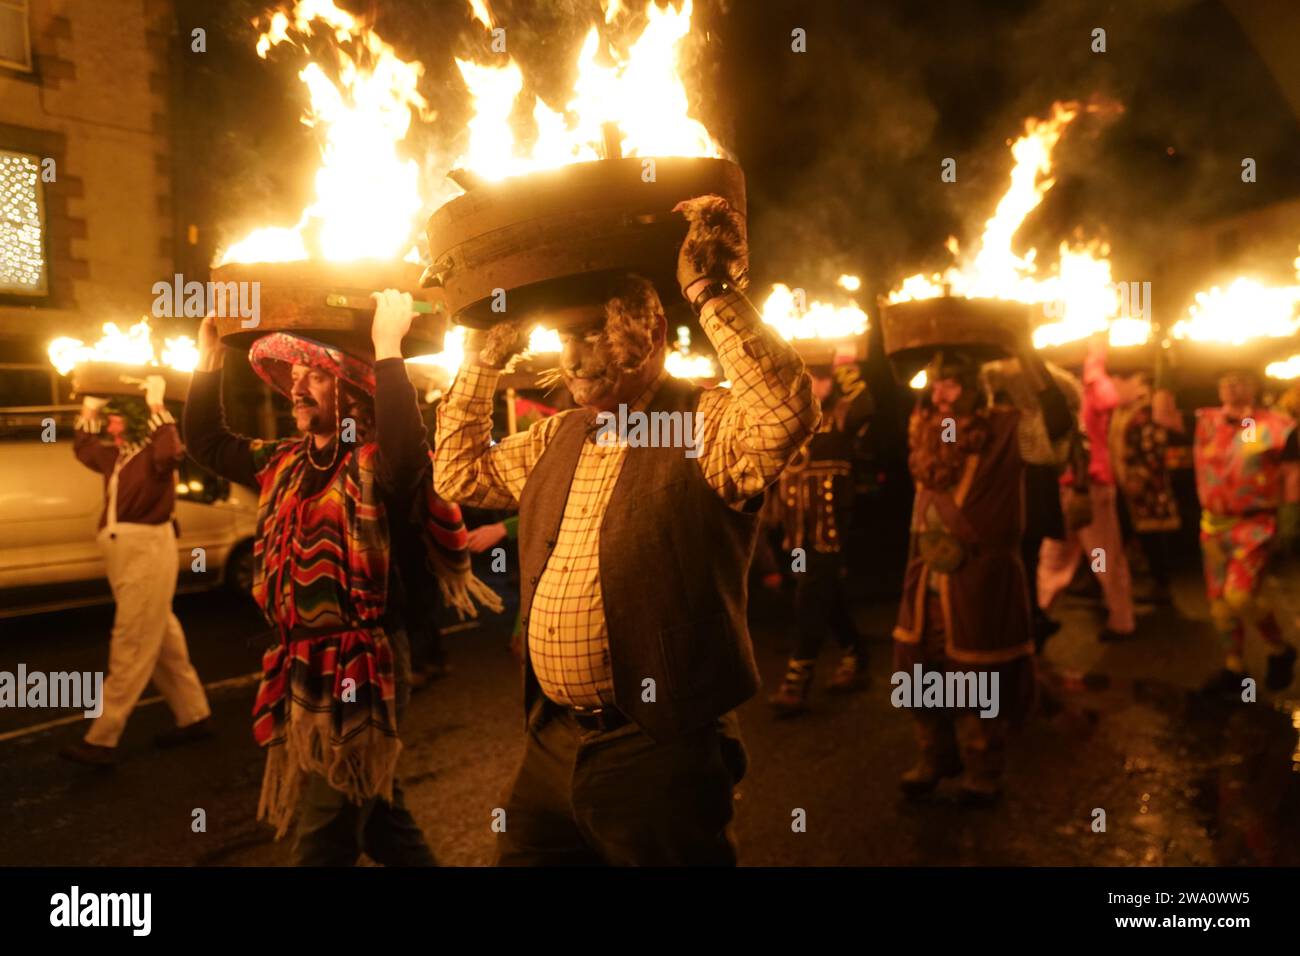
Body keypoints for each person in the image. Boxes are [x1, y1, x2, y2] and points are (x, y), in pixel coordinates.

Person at [433, 195, 819, 865]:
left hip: (659, 745)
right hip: (553, 740)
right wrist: (482, 358)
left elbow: (785, 413)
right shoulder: (557, 432)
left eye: (593, 333)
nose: (576, 356)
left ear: (652, 335)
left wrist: (708, 288)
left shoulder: (703, 423)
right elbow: (458, 477)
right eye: (566, 336)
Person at [183, 292, 500, 865]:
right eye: (295, 376)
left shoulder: (380, 461)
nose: (297, 388)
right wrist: (208, 360)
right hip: (301, 664)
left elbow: (410, 451)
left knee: (322, 835)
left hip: (364, 665)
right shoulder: (282, 461)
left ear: (351, 390)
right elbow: (206, 443)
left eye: (316, 377)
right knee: (382, 823)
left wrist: (386, 348)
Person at [893, 342, 1072, 805]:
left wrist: (1028, 354)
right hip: (927, 570)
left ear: (977, 386)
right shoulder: (927, 427)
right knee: (921, 663)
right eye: (935, 385)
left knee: (978, 668)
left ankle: (984, 767)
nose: (941, 395)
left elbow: (1056, 430)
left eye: (951, 383)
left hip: (984, 572)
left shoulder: (1010, 426)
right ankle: (936, 756)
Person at [60, 378, 212, 767]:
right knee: (160, 634)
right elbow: (83, 447)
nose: (110, 427)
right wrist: (90, 408)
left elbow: (172, 451)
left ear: (132, 422)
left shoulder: (153, 457)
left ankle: (103, 738)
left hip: (146, 550)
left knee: (130, 638)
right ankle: (194, 716)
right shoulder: (118, 456)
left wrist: (156, 405)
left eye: (113, 419)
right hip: (125, 554)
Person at [1152, 366, 1299, 694]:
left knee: (1240, 596)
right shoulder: (1205, 420)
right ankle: (1234, 667)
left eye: (1240, 380)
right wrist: (1165, 372)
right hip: (1213, 526)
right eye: (1226, 380)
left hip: (1255, 524)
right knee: (1219, 604)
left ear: (1254, 385)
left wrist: (1290, 514)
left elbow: (1291, 473)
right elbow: (1163, 416)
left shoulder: (1277, 426)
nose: (1232, 386)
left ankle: (1280, 649)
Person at [767, 366, 869, 716]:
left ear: (829, 383)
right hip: (795, 535)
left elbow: (866, 404)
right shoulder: (790, 420)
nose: (809, 386)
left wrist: (846, 366)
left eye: (817, 379)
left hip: (829, 532)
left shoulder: (842, 416)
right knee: (822, 591)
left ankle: (798, 677)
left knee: (809, 595)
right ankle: (857, 656)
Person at [1037, 337, 1137, 641]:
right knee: (1053, 556)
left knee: (1102, 555)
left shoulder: (1094, 389)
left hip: (1092, 488)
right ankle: (1039, 616)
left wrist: (1096, 362)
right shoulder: (1056, 393)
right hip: (1065, 487)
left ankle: (1122, 621)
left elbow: (1110, 400)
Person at [1110, 370, 1180, 606]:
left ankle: (1162, 585)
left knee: (1152, 537)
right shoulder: (1123, 412)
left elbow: (1155, 449)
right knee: (1117, 537)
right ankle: (1101, 578)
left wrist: (1139, 477)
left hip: (1146, 488)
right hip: (1123, 485)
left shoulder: (1146, 414)